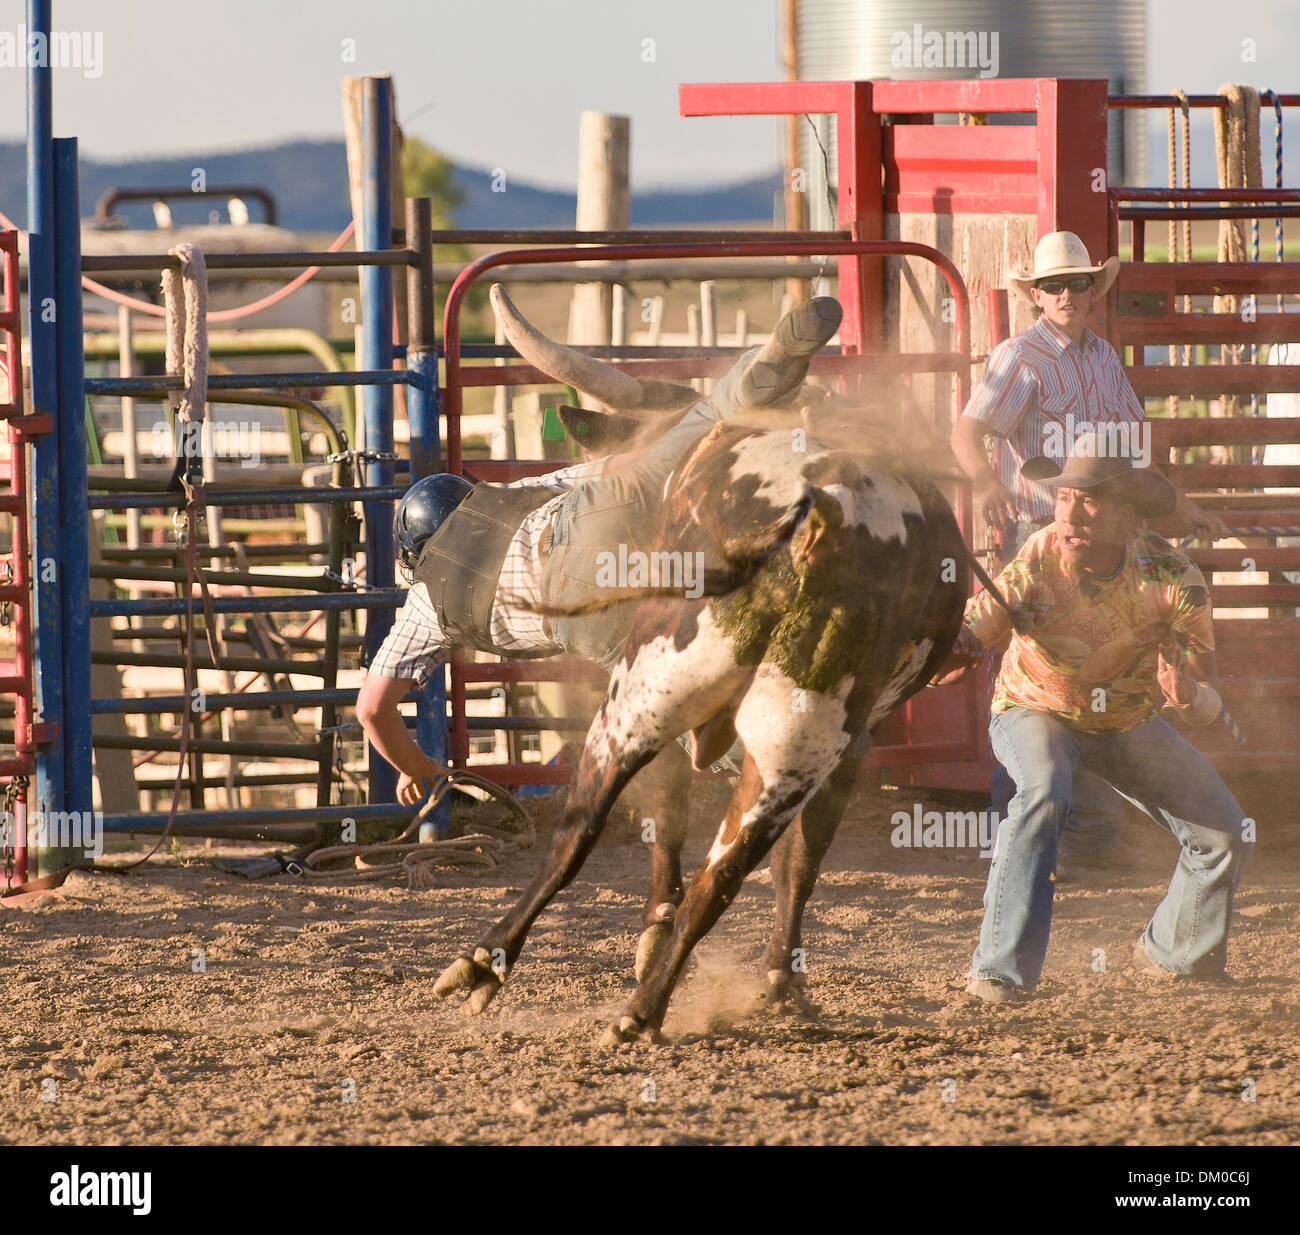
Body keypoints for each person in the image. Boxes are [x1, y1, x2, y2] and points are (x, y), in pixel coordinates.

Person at [355, 297, 845, 802]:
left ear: (415, 552)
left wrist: (417, 767)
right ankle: (754, 377)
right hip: (584, 514)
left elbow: (371, 709)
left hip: (576, 604)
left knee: (673, 700)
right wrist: (663, 446)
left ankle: (796, 749)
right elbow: (609, 472)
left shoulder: (423, 603)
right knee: (705, 422)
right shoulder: (496, 499)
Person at [936, 433, 1253, 1002]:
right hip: (1035, 708)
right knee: (1044, 790)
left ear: (1127, 517)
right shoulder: (1037, 555)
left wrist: (1185, 696)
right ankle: (999, 973)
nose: (1070, 515)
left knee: (1224, 834)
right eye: (1063, 498)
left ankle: (1173, 955)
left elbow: (1208, 694)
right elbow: (981, 625)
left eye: (1090, 501)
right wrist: (956, 650)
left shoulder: (1173, 579)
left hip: (1125, 721)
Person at [949, 230, 1228, 861]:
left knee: (1092, 669)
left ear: (1092, 291)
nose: (1067, 294)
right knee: (1040, 677)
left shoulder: (1103, 357)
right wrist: (987, 481)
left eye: (1078, 283)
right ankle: (1019, 830)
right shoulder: (1019, 356)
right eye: (1054, 285)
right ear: (1037, 295)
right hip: (1042, 534)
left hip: (1104, 532)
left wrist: (1181, 509)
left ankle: (1076, 831)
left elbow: (1130, 454)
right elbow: (968, 432)